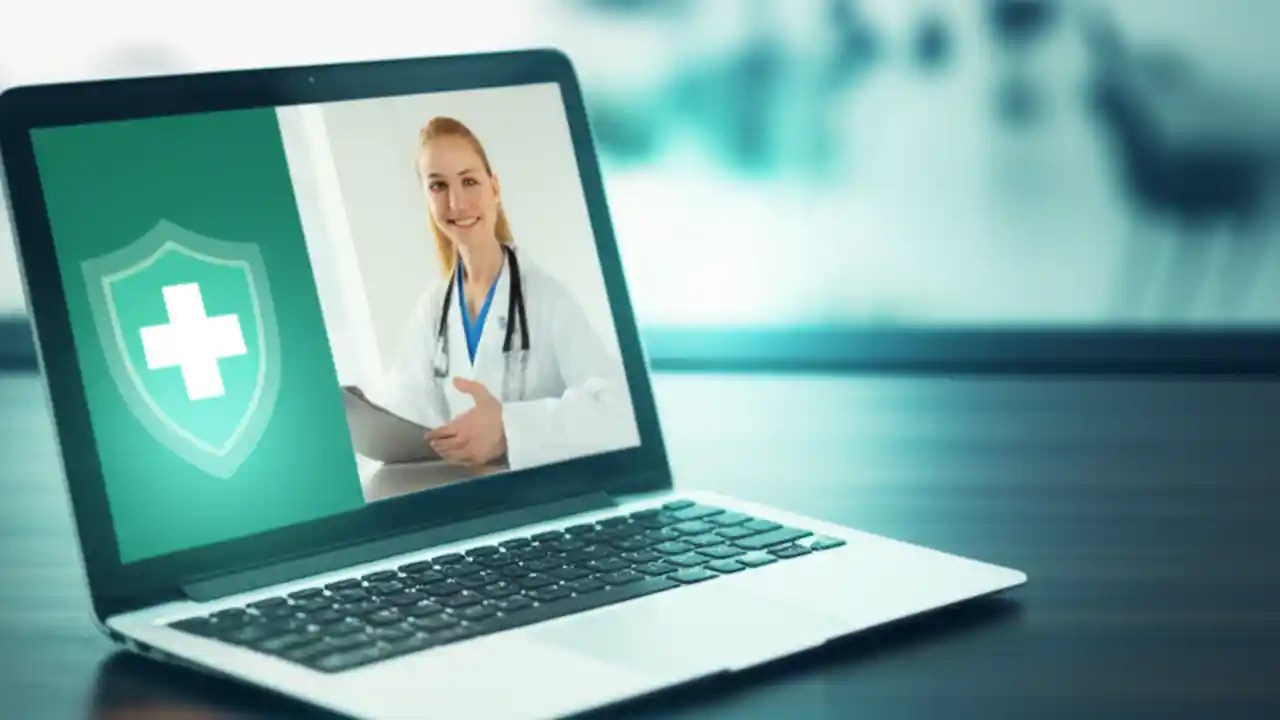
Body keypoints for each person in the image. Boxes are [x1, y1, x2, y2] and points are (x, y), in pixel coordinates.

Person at [373, 116, 637, 471]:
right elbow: (403, 409)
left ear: (494, 188)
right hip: (466, 497)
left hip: (542, 501)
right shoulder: (432, 309)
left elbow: (621, 413)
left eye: (469, 181)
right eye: (438, 186)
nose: (456, 202)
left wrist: (510, 427)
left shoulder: (547, 300)